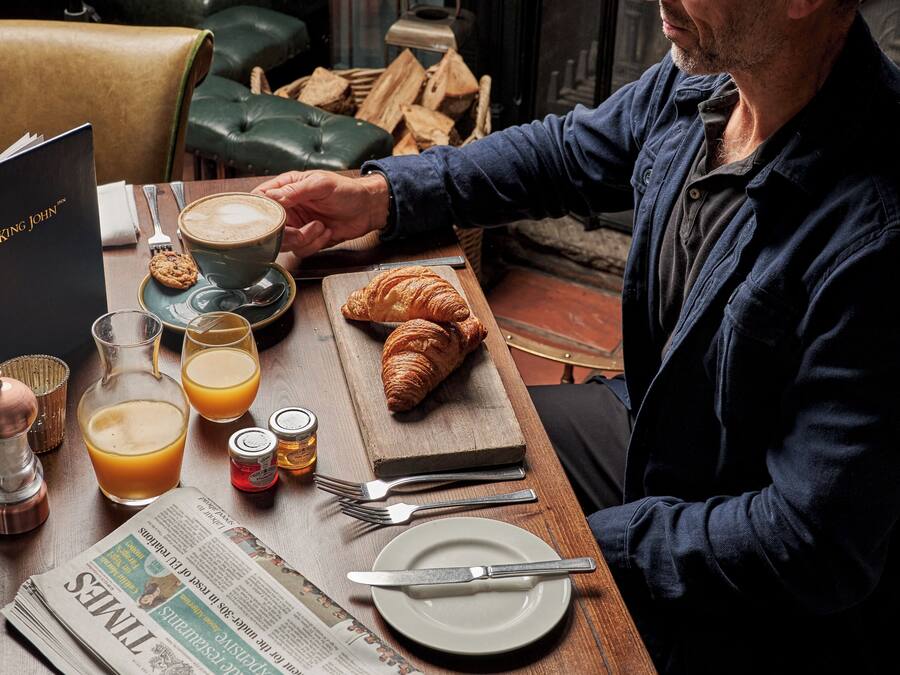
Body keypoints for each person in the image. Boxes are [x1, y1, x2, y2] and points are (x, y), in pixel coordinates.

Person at [254, 1, 900, 671]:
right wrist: (380, 197)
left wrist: (582, 541)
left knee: (487, 615)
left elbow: (814, 543)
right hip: (653, 431)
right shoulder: (708, 80)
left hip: (752, 556)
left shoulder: (876, 232)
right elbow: (561, 154)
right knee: (421, 466)